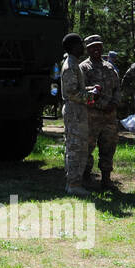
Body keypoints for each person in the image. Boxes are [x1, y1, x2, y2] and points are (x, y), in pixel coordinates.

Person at [79, 33, 122, 191]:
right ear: (88, 50)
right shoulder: (83, 68)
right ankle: (85, 177)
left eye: (98, 46)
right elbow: (80, 91)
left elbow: (117, 88)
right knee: (87, 148)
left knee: (108, 148)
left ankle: (106, 179)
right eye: (92, 47)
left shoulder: (109, 67)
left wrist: (115, 102)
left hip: (109, 117)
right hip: (92, 116)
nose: (96, 49)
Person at [59, 32, 89, 196]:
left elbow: (76, 89)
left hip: (77, 110)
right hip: (74, 110)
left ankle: (74, 182)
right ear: (72, 47)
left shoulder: (73, 63)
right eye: (80, 44)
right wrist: (91, 96)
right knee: (75, 147)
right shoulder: (70, 65)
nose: (82, 47)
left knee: (77, 146)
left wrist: (89, 90)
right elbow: (71, 92)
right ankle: (73, 184)